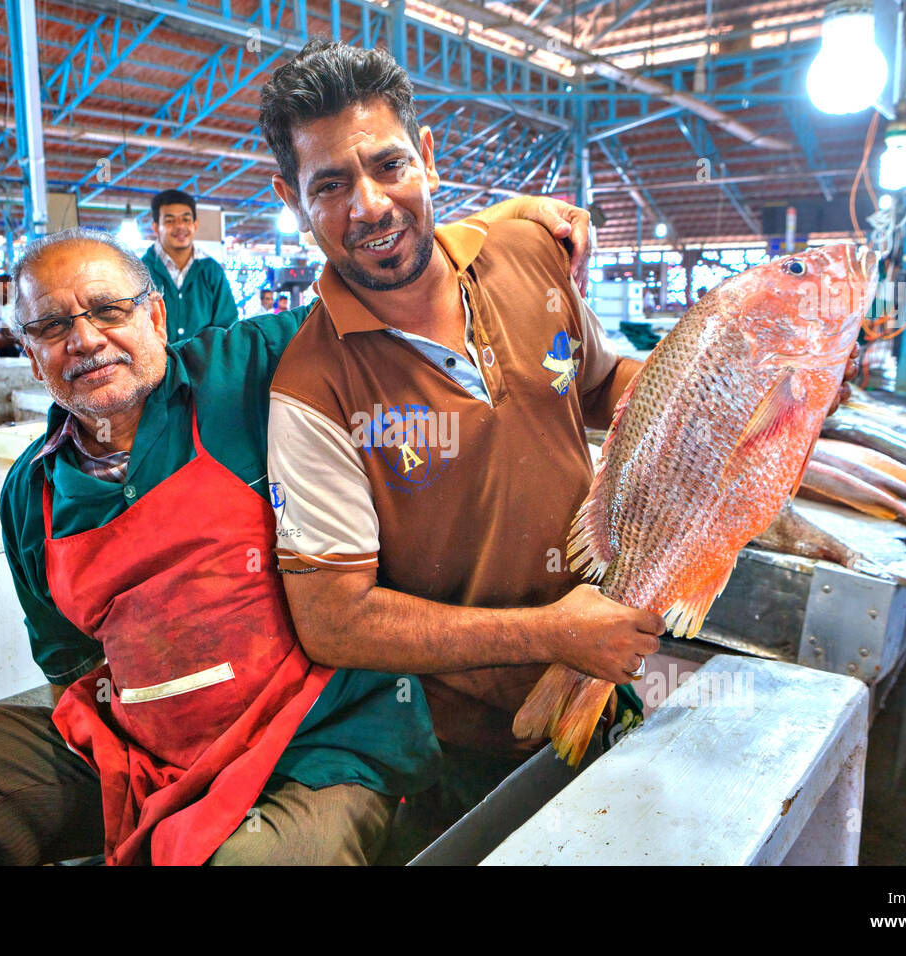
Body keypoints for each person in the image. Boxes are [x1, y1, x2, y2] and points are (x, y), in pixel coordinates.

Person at [0, 187, 599, 866]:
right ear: (30, 352)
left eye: (109, 310)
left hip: (309, 742)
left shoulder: (246, 370)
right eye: (51, 325)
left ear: (157, 315)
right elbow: (68, 661)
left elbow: (384, 291)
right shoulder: (28, 492)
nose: (85, 339)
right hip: (140, 749)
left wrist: (498, 221)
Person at [259, 40, 859, 850]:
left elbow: (601, 384)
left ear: (427, 157)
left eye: (389, 164)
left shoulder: (528, 254)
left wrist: (740, 393)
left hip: (617, 651)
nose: (369, 205)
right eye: (330, 184)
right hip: (455, 736)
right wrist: (552, 635)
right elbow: (333, 621)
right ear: (290, 199)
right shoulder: (311, 388)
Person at [142, 189, 239, 343]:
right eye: (170, 220)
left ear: (195, 224)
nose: (180, 226)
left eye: (186, 219)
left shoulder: (212, 271)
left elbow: (227, 326)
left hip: (203, 366)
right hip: (156, 365)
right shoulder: (139, 271)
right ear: (155, 227)